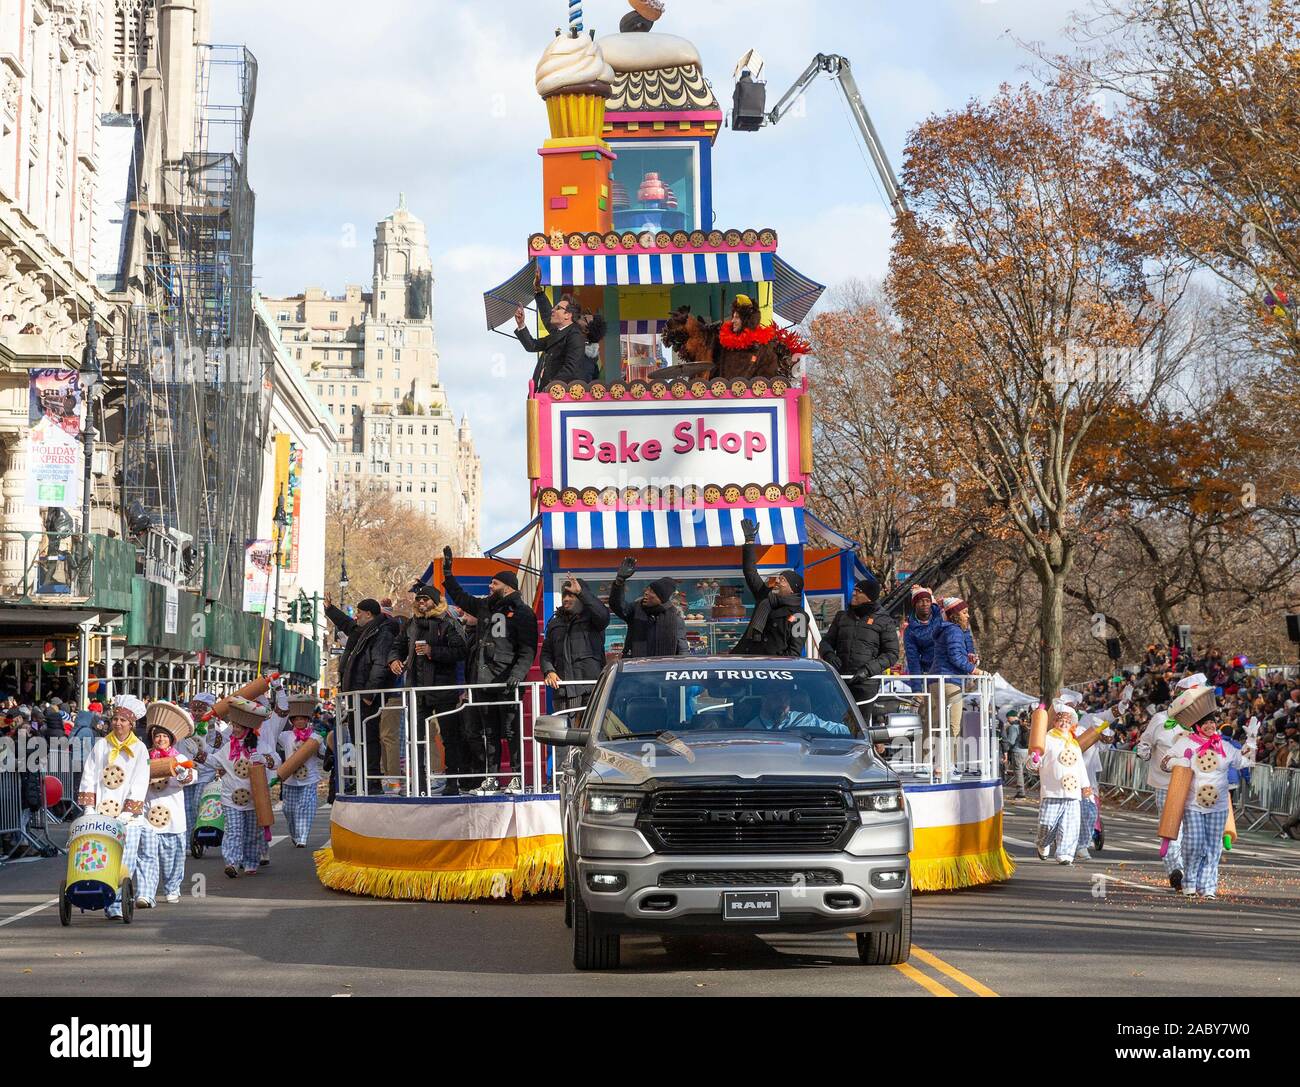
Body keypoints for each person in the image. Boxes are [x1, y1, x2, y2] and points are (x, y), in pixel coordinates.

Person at [442, 546, 538, 792]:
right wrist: (448, 573)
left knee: (511, 731)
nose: (489, 587)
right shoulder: (486, 607)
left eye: (494, 583)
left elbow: (527, 650)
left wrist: (517, 675)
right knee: (490, 733)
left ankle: (517, 777)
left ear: (508, 586)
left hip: (507, 682)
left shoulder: (523, 612)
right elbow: (461, 598)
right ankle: (492, 778)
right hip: (484, 681)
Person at [1166, 685, 1252, 900]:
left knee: (1213, 847)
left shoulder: (1224, 746)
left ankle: (1208, 886)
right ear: (1197, 726)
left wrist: (1252, 740)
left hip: (1219, 805)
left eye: (1212, 723)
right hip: (1193, 804)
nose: (1210, 726)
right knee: (1194, 843)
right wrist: (1180, 760)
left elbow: (1244, 761)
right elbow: (1165, 762)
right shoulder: (1185, 743)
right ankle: (1190, 882)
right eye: (1205, 723)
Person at [388, 581, 469, 794]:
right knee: (416, 739)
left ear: (435, 602)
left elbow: (461, 651)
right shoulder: (411, 624)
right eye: (419, 599)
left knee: (449, 737)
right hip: (416, 689)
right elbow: (396, 646)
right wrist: (394, 660)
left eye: (425, 599)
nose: (421, 602)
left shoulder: (448, 622)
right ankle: (420, 783)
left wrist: (433, 651)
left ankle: (452, 782)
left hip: (443, 688)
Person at [76, 695, 151, 918]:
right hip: (101, 815)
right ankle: (108, 901)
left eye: (123, 720)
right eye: (115, 719)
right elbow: (89, 776)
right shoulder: (101, 746)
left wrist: (129, 812)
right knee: (103, 858)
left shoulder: (139, 749)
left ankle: (117, 903)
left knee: (125, 861)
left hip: (128, 817)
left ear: (132, 724)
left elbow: (140, 781)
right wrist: (89, 808)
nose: (118, 723)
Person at [324, 595, 399, 794]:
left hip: (365, 695)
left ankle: (372, 781)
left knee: (369, 737)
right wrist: (331, 609)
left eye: (358, 612)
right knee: (359, 738)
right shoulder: (363, 630)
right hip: (355, 693)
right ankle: (363, 780)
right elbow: (346, 623)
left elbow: (380, 664)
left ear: (368, 614)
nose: (355, 616)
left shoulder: (382, 633)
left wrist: (369, 693)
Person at [135, 702, 199, 908]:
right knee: (146, 856)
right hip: (147, 816)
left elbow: (191, 777)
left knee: (173, 858)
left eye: (164, 736)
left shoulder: (179, 757)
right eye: (157, 736)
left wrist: (183, 774)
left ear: (171, 739)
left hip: (173, 818)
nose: (160, 739)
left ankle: (172, 888)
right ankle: (145, 894)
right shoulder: (143, 757)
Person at [206, 697, 277, 878]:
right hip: (231, 798)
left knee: (252, 833)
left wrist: (264, 759)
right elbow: (215, 762)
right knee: (233, 831)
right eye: (234, 726)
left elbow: (277, 761)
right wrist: (198, 754)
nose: (235, 730)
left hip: (255, 799)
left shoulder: (261, 746)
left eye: (238, 727)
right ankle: (232, 862)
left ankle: (251, 862)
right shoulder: (228, 747)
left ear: (248, 730)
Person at [819, 574, 900, 711]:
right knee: (838, 724)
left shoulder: (884, 620)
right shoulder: (842, 617)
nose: (854, 593)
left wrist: (867, 671)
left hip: (866, 684)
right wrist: (829, 655)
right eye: (854, 590)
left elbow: (892, 653)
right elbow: (825, 642)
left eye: (858, 591)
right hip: (841, 679)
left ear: (869, 596)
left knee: (861, 725)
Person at [731, 517, 806, 657]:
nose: (777, 581)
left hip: (770, 669)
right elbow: (750, 572)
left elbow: (795, 651)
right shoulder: (765, 595)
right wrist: (749, 542)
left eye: (782, 580)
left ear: (792, 589)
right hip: (745, 659)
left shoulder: (798, 616)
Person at [1030, 701, 1091, 865]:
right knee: (1046, 824)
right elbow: (1034, 762)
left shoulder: (1074, 743)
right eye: (1060, 720)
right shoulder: (1047, 739)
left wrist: (1086, 786)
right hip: (1052, 791)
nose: (1064, 723)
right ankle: (1043, 843)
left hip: (1072, 793)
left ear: (1071, 724)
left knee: (1070, 825)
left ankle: (1066, 854)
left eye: (1067, 721)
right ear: (1054, 722)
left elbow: (1080, 767)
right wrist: (1034, 760)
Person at [540, 575, 610, 713]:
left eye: (572, 595)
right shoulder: (555, 623)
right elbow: (546, 653)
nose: (566, 599)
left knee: (588, 730)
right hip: (563, 689)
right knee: (564, 731)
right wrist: (549, 671)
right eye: (564, 595)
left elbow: (603, 615)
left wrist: (582, 592)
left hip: (590, 688)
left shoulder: (593, 619)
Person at [608, 557, 687, 659]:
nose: (646, 593)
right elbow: (617, 606)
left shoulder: (675, 620)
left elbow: (682, 649)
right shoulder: (635, 610)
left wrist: (682, 668)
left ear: (661, 598)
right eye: (647, 589)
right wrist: (619, 582)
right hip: (635, 667)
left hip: (662, 669)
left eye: (652, 592)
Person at [276, 696, 326, 847]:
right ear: (292, 721)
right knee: (288, 810)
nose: (299, 721)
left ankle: (302, 838)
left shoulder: (315, 737)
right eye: (296, 719)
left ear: (307, 720)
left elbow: (323, 755)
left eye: (302, 719)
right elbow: (273, 732)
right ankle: (294, 833)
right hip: (290, 779)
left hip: (309, 779)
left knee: (305, 807)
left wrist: (317, 747)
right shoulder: (285, 736)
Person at [514, 293, 588, 387]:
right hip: (544, 394)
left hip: (558, 396)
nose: (552, 310)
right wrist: (521, 324)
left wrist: (550, 387)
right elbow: (532, 345)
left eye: (558, 308)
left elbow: (571, 368)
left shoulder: (575, 335)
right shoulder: (557, 334)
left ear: (568, 315)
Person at [533, 288, 606, 381]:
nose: (580, 316)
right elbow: (549, 318)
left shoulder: (585, 362)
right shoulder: (566, 334)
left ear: (586, 330)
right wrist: (539, 293)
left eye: (584, 317)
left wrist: (551, 386)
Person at [746, 689, 852, 736]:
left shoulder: (805, 720)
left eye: (786, 699)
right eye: (777, 698)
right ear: (764, 700)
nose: (783, 704)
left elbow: (839, 730)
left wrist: (859, 731)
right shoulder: (749, 731)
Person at [1002, 708, 1029, 800]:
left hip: (1017, 752)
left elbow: (1011, 741)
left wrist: (1005, 748)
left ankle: (1021, 793)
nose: (1008, 720)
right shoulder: (1022, 725)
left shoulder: (1014, 727)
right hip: (1025, 751)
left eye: (1008, 718)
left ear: (1013, 717)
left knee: (1018, 772)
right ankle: (1024, 789)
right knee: (1023, 772)